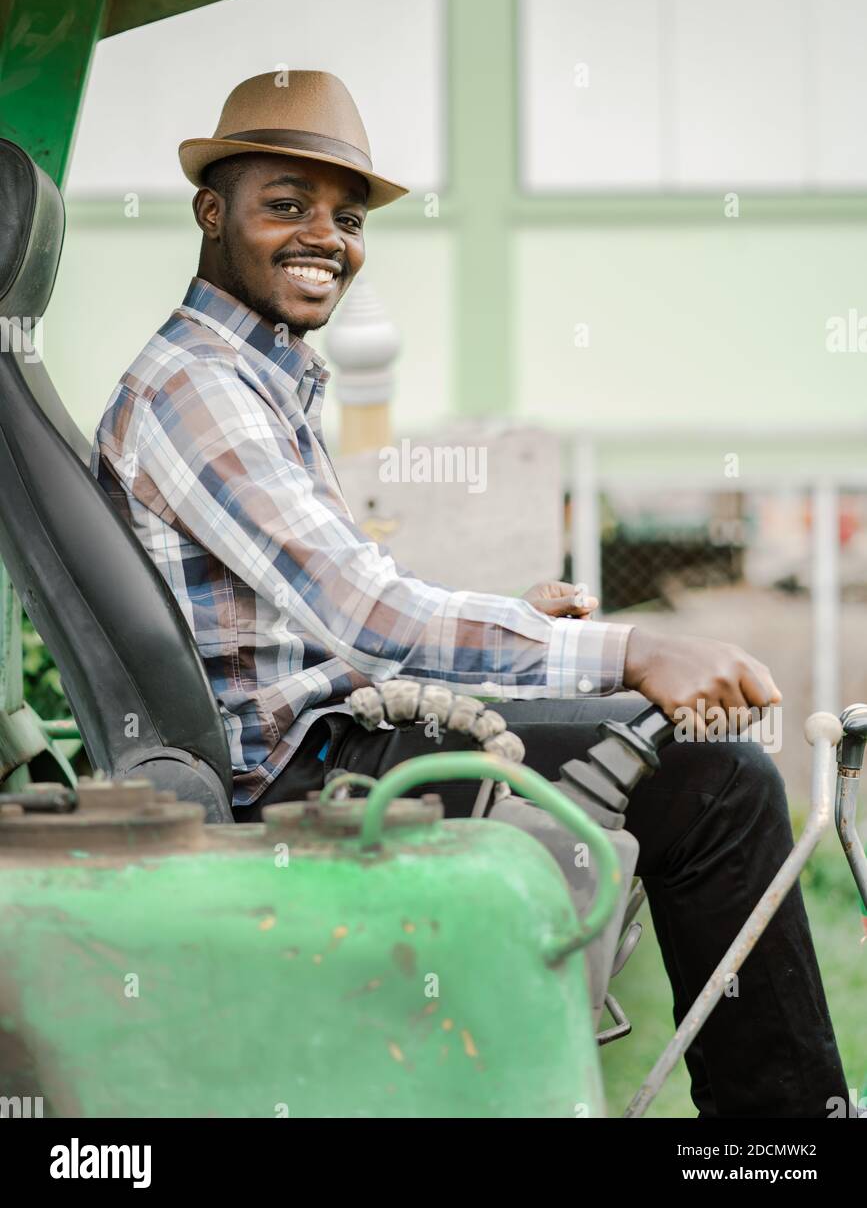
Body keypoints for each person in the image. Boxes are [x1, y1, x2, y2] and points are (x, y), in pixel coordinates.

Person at [92, 70, 849, 1118]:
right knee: (714, 780)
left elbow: (331, 617)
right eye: (286, 204)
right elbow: (368, 614)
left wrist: (525, 622)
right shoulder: (199, 388)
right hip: (306, 777)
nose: (327, 235)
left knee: (694, 757)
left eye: (346, 217)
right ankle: (785, 1137)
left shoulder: (251, 380)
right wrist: (633, 651)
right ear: (211, 212)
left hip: (331, 737)